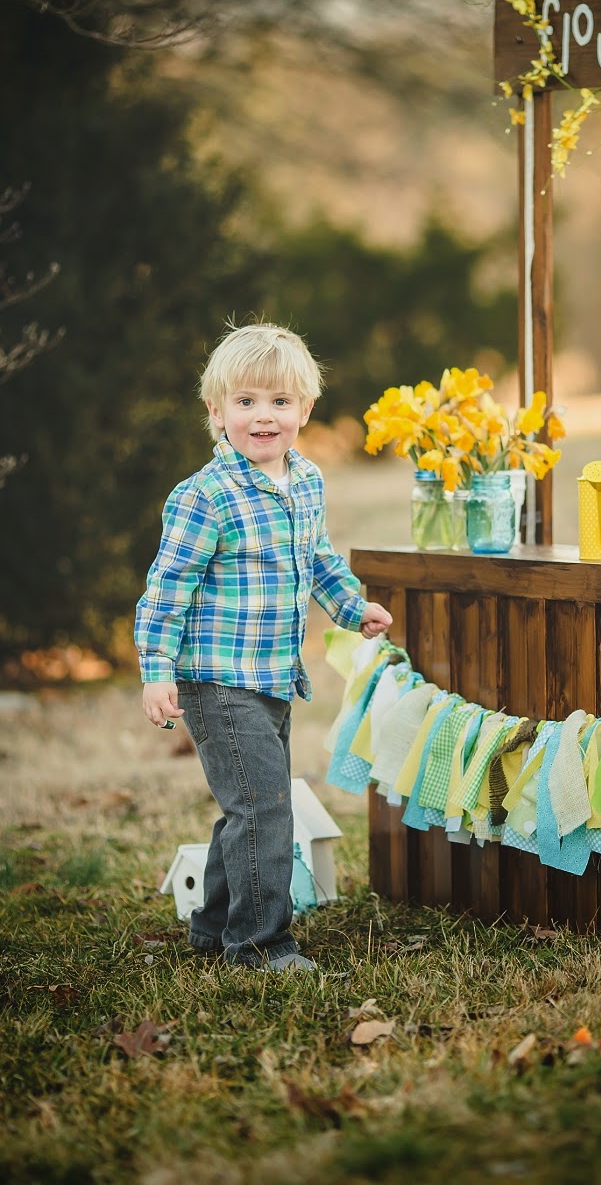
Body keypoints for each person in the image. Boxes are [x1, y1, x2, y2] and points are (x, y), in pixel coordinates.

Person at [135, 322, 392, 972]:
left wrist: (352, 607)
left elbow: (320, 559)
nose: (263, 416)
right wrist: (156, 670)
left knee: (247, 805)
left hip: (274, 678)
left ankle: (215, 922)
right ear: (216, 411)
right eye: (245, 401)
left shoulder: (303, 481)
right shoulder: (203, 497)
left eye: (279, 402)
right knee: (264, 807)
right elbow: (166, 590)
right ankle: (258, 944)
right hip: (217, 681)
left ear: (304, 410)